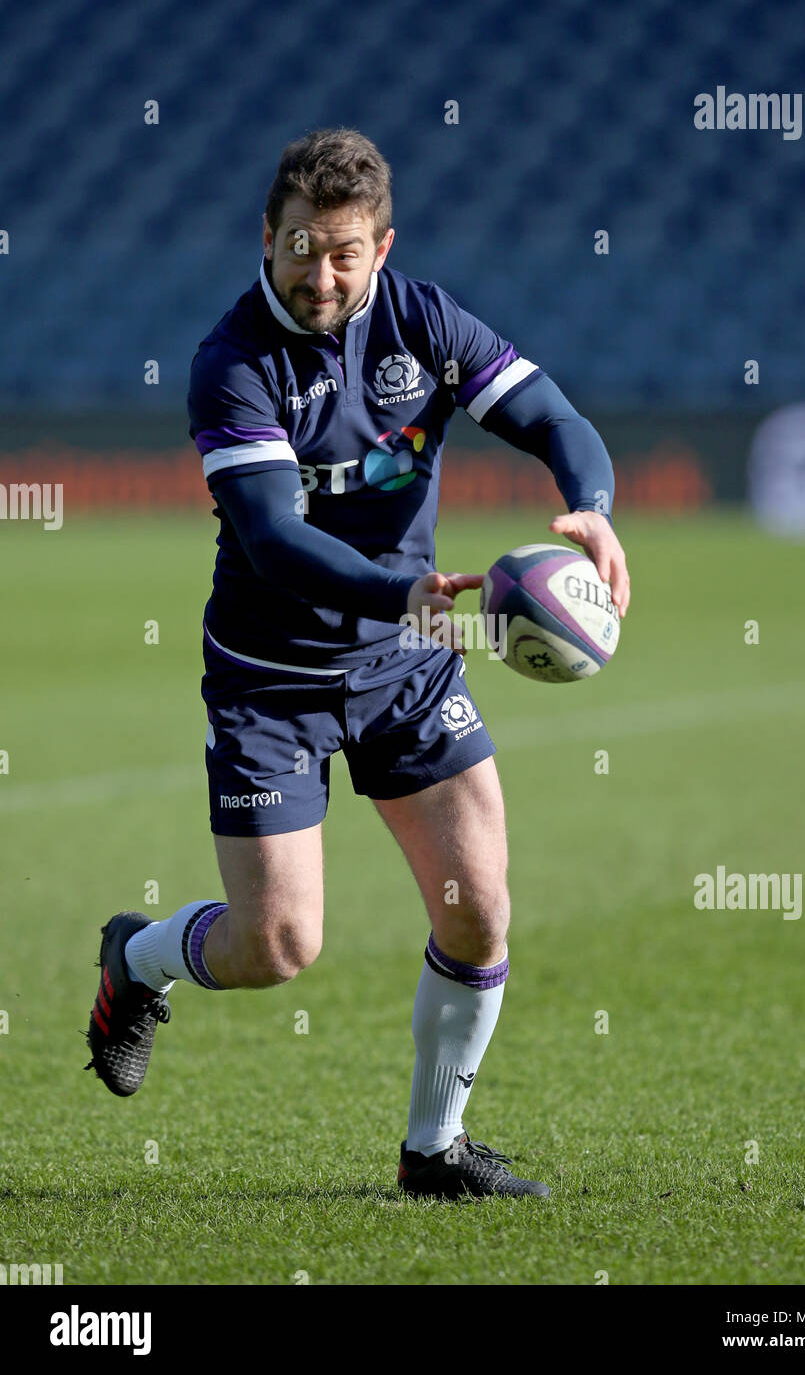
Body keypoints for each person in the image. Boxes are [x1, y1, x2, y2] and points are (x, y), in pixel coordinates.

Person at [85, 128, 630, 1199]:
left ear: (381, 248)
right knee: (276, 946)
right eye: (299, 246)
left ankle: (435, 1150)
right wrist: (401, 592)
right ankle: (135, 959)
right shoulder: (231, 361)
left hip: (409, 669)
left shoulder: (424, 319)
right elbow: (271, 538)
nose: (318, 274)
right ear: (268, 236)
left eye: (343, 253)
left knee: (477, 906)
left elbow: (550, 416)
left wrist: (594, 509)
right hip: (269, 679)